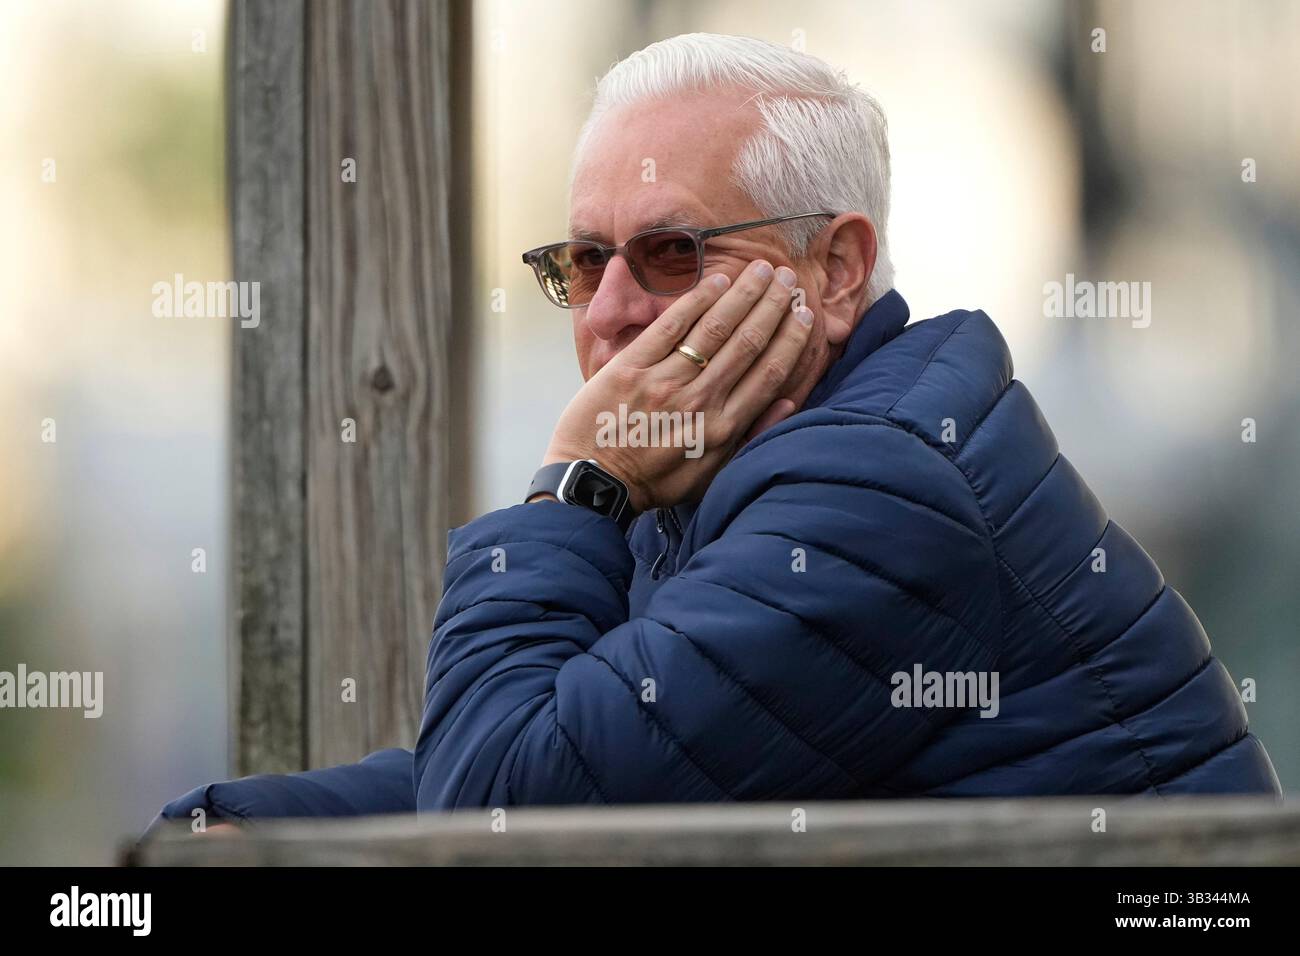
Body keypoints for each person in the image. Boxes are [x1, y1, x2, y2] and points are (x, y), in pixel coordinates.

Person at [148, 32, 1279, 833]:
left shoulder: (877, 486)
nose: (608, 311)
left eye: (673, 253)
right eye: (583, 260)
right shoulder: (743, 455)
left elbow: (506, 811)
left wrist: (572, 488)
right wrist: (235, 823)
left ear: (833, 269)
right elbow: (561, 748)